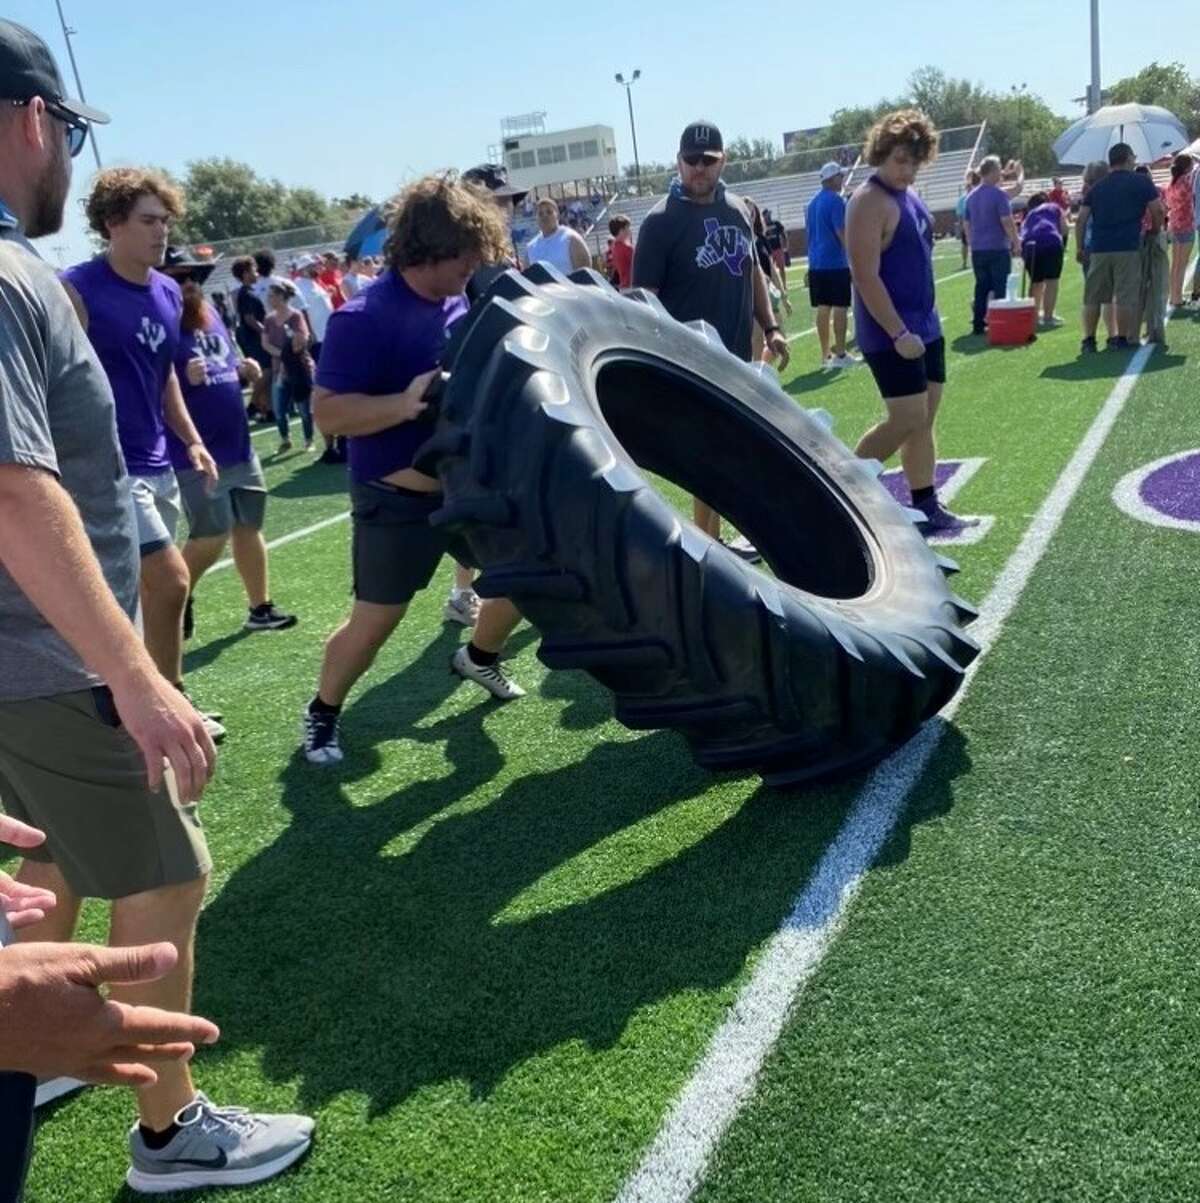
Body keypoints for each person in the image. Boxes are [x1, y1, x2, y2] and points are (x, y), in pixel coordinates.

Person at [0, 20, 313, 1194]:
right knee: (167, 867)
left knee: (50, 879)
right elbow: (13, 490)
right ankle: (171, 1133)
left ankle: (40, 1050)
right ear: (34, 120)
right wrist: (137, 677)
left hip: (15, 664)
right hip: (46, 658)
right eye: (69, 132)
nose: (68, 160)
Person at [302, 173, 527, 766]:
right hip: (395, 500)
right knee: (375, 626)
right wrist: (404, 404)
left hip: (464, 487)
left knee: (528, 570)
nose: (475, 261)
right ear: (431, 247)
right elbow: (327, 414)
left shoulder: (463, 300)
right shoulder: (362, 318)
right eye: (466, 250)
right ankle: (323, 711)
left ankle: (477, 658)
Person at [61, 169, 226, 742]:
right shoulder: (74, 290)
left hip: (159, 462)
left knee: (136, 591)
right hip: (108, 469)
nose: (161, 233)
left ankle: (128, 704)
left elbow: (165, 379)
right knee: (172, 580)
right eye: (148, 221)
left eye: (166, 221)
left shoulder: (165, 291)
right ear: (113, 225)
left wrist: (192, 439)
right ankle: (172, 703)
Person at [632, 120, 789, 561]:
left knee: (725, 453)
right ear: (678, 162)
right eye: (691, 160)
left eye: (709, 160)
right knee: (709, 459)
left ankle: (711, 544)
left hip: (736, 355)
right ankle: (708, 551)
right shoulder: (661, 222)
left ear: (724, 161)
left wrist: (772, 327)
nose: (699, 169)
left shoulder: (738, 209)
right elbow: (641, 302)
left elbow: (752, 270)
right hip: (689, 362)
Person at [846, 108, 977, 536]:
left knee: (924, 420)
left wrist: (922, 325)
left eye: (914, 161)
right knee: (904, 418)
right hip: (890, 333)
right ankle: (842, 494)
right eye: (900, 159)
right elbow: (864, 275)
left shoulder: (910, 195)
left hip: (925, 326)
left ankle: (925, 507)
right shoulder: (868, 201)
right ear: (882, 152)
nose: (907, 169)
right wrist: (898, 332)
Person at [172, 281, 298, 638]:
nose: (188, 285)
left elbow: (224, 361)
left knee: (248, 526)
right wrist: (183, 378)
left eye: (192, 278)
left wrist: (245, 367)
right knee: (210, 533)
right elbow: (148, 382)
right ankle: (174, 597)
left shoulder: (209, 314)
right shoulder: (161, 321)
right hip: (195, 451)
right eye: (180, 278)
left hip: (237, 444)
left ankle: (260, 608)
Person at [1075, 142, 1164, 352]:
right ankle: (1121, 338)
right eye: (1133, 156)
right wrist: (1155, 230)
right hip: (1128, 246)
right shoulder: (1141, 182)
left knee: (1094, 296)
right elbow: (1157, 211)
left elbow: (1081, 219)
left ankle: (1089, 340)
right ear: (1127, 158)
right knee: (1125, 294)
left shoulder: (1097, 187)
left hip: (1099, 247)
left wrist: (1080, 247)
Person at [805, 161, 857, 369]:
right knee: (840, 306)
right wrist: (853, 259)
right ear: (832, 178)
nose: (842, 180)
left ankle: (825, 354)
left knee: (823, 308)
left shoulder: (811, 204)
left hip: (817, 263)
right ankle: (841, 354)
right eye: (840, 177)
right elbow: (841, 232)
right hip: (835, 262)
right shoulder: (836, 201)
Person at [963, 155, 1022, 336]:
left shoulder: (971, 196)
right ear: (992, 171)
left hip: (979, 248)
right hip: (997, 247)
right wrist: (1016, 241)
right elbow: (1007, 221)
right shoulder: (998, 194)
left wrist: (973, 243)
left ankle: (978, 324)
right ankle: (1001, 323)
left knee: (981, 287)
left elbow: (966, 223)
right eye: (998, 169)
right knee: (999, 286)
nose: (1001, 173)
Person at [262, 279, 316, 453]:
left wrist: (288, 355)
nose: (268, 299)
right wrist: (283, 355)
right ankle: (285, 439)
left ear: (280, 297)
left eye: (271, 296)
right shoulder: (269, 319)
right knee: (279, 410)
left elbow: (301, 340)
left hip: (298, 369)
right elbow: (265, 344)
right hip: (279, 370)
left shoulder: (296, 316)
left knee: (304, 410)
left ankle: (309, 440)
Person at [230, 255, 273, 420]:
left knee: (265, 371)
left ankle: (267, 410)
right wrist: (265, 333)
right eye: (253, 270)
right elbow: (249, 319)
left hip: (250, 334)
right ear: (246, 273)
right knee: (266, 371)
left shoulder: (248, 292)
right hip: (251, 335)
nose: (257, 273)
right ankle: (253, 405)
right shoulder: (246, 293)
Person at [1019, 191, 1068, 326]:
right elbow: (1064, 229)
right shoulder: (1054, 207)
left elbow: (1023, 233)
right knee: (1052, 281)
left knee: (1036, 282)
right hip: (1051, 241)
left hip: (1030, 245)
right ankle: (1048, 316)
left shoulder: (1029, 215)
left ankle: (1033, 317)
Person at [523, 197, 591, 273]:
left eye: (549, 212)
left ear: (557, 215)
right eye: (540, 213)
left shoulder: (571, 239)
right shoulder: (530, 248)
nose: (545, 216)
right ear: (536, 218)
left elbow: (585, 277)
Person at [1164, 153, 1195, 308]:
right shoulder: (1185, 183)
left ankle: (1173, 295)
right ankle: (1178, 297)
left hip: (1174, 224)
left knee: (1175, 264)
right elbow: (1190, 202)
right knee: (1182, 264)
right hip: (1186, 225)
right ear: (1187, 167)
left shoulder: (1171, 184)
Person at [292, 254, 334, 357]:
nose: (314, 268)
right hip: (317, 337)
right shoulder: (298, 286)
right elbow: (301, 311)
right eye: (310, 266)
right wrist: (309, 332)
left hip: (327, 333)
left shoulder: (314, 283)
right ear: (303, 270)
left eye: (313, 265)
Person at [955, 169, 980, 269]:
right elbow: (960, 214)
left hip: (977, 224)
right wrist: (962, 226)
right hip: (968, 225)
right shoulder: (962, 199)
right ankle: (964, 262)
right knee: (965, 244)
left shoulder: (978, 195)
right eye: (967, 186)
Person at [761, 206, 789, 289]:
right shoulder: (763, 226)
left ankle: (784, 285)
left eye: (769, 214)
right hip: (769, 251)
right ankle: (772, 287)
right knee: (770, 270)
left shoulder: (776, 223)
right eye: (767, 214)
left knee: (781, 268)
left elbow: (783, 233)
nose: (769, 216)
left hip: (778, 248)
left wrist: (786, 245)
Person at [609, 213, 634, 288]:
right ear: (622, 230)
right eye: (628, 227)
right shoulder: (627, 248)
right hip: (633, 287)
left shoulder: (614, 247)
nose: (630, 230)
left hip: (623, 287)